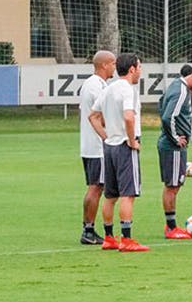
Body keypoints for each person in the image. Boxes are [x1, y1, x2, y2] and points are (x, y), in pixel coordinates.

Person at [88, 53, 148, 252]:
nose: (140, 71)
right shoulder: (128, 90)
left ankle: (108, 238)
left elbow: (93, 116)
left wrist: (106, 137)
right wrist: (131, 141)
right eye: (139, 67)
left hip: (110, 147)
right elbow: (129, 117)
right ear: (132, 69)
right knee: (128, 194)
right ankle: (127, 239)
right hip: (124, 146)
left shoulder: (108, 89)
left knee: (110, 195)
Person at [157, 65, 192, 239]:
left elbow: (161, 103)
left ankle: (170, 226)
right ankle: (171, 228)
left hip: (170, 144)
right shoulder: (181, 92)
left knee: (173, 185)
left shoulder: (176, 85)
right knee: (172, 187)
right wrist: (175, 138)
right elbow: (167, 117)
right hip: (172, 146)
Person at [78, 50, 115, 245]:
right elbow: (100, 115)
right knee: (96, 187)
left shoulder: (92, 84)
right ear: (104, 65)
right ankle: (88, 230)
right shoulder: (96, 86)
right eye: (113, 63)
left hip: (90, 144)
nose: (114, 67)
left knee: (95, 186)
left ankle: (88, 229)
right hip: (97, 146)